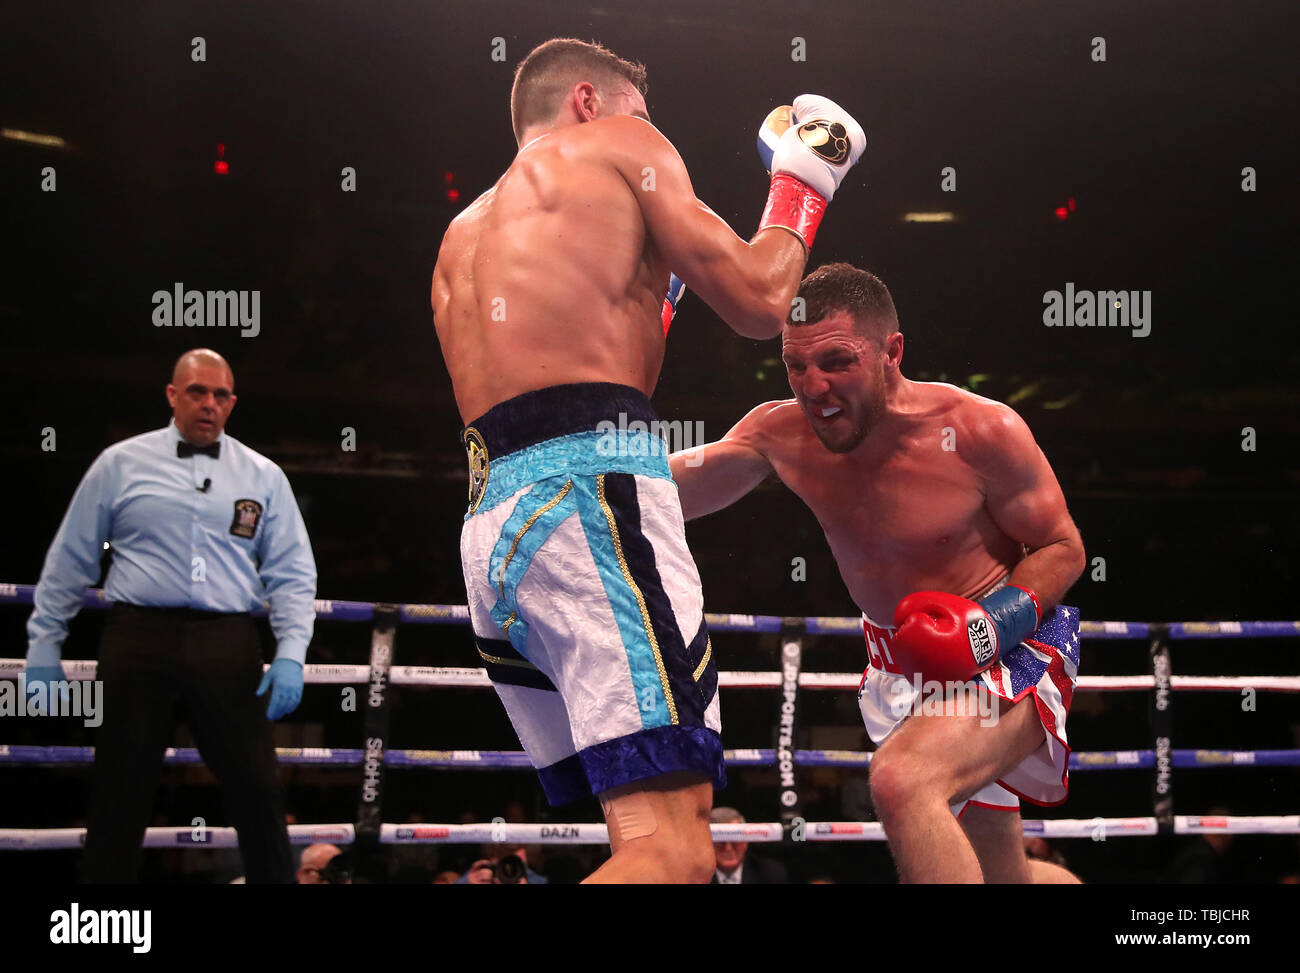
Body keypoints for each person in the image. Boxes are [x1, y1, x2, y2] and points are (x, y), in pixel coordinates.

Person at [429, 37, 864, 883]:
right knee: (675, 847)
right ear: (588, 102)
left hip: (495, 529)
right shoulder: (620, 145)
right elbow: (762, 298)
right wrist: (805, 179)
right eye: (643, 113)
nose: (654, 134)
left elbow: (557, 391)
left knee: (653, 833)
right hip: (589, 502)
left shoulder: (461, 235)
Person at [670, 263, 1086, 884]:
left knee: (901, 780)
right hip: (897, 665)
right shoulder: (780, 434)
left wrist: (989, 625)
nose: (812, 385)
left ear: (891, 352)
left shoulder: (978, 430)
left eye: (836, 360)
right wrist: (574, 463)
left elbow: (1063, 546)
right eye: (795, 365)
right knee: (1005, 875)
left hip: (1010, 652)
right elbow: (663, 492)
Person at [24, 348, 317, 884]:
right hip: (139, 636)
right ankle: (100, 926)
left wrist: (292, 652)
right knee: (120, 790)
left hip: (227, 639)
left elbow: (293, 572)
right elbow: (72, 557)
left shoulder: (263, 475)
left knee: (258, 787)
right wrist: (44, 643)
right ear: (173, 395)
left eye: (220, 394)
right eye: (198, 392)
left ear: (232, 402)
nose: (209, 404)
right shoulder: (119, 464)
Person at [709, 807, 788, 884]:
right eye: (719, 841)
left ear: (746, 841)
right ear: (708, 844)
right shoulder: (697, 875)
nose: (728, 848)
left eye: (735, 839)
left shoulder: (771, 873)